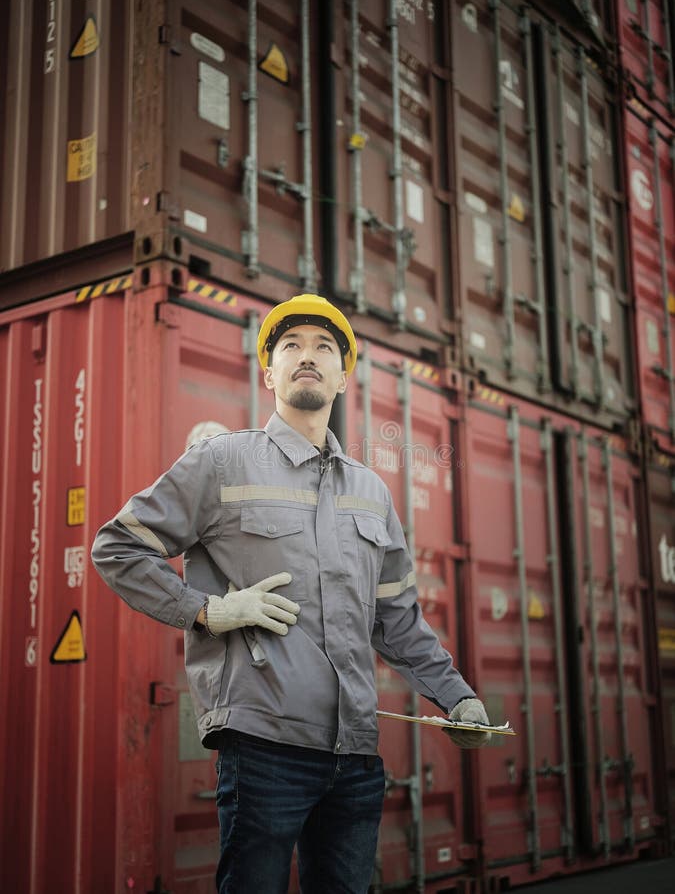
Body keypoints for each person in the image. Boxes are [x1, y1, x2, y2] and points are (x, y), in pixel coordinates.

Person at [91, 293, 491, 894]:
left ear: (343, 376)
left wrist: (457, 698)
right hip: (263, 751)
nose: (308, 356)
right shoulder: (222, 461)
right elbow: (117, 546)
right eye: (291, 346)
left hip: (355, 756)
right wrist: (210, 610)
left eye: (324, 347)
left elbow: (398, 621)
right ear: (268, 371)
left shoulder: (370, 492)